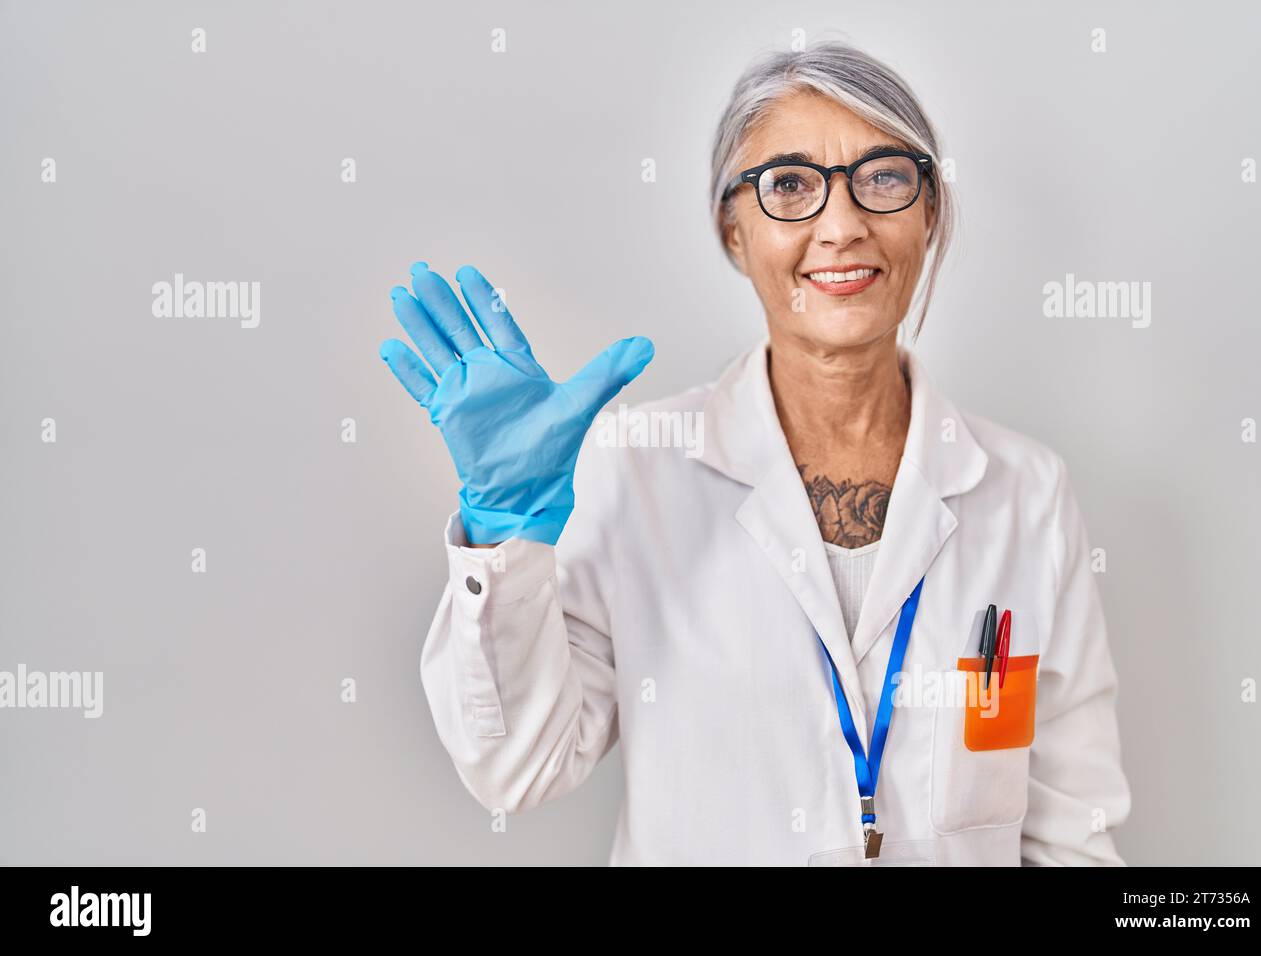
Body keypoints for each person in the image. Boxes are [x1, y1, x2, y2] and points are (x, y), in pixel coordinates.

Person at [380, 41, 1130, 866]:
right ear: (733, 232)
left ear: (929, 213)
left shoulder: (1024, 493)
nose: (841, 227)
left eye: (883, 177)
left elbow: (1071, 833)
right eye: (791, 187)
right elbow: (516, 767)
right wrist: (504, 536)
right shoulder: (637, 470)